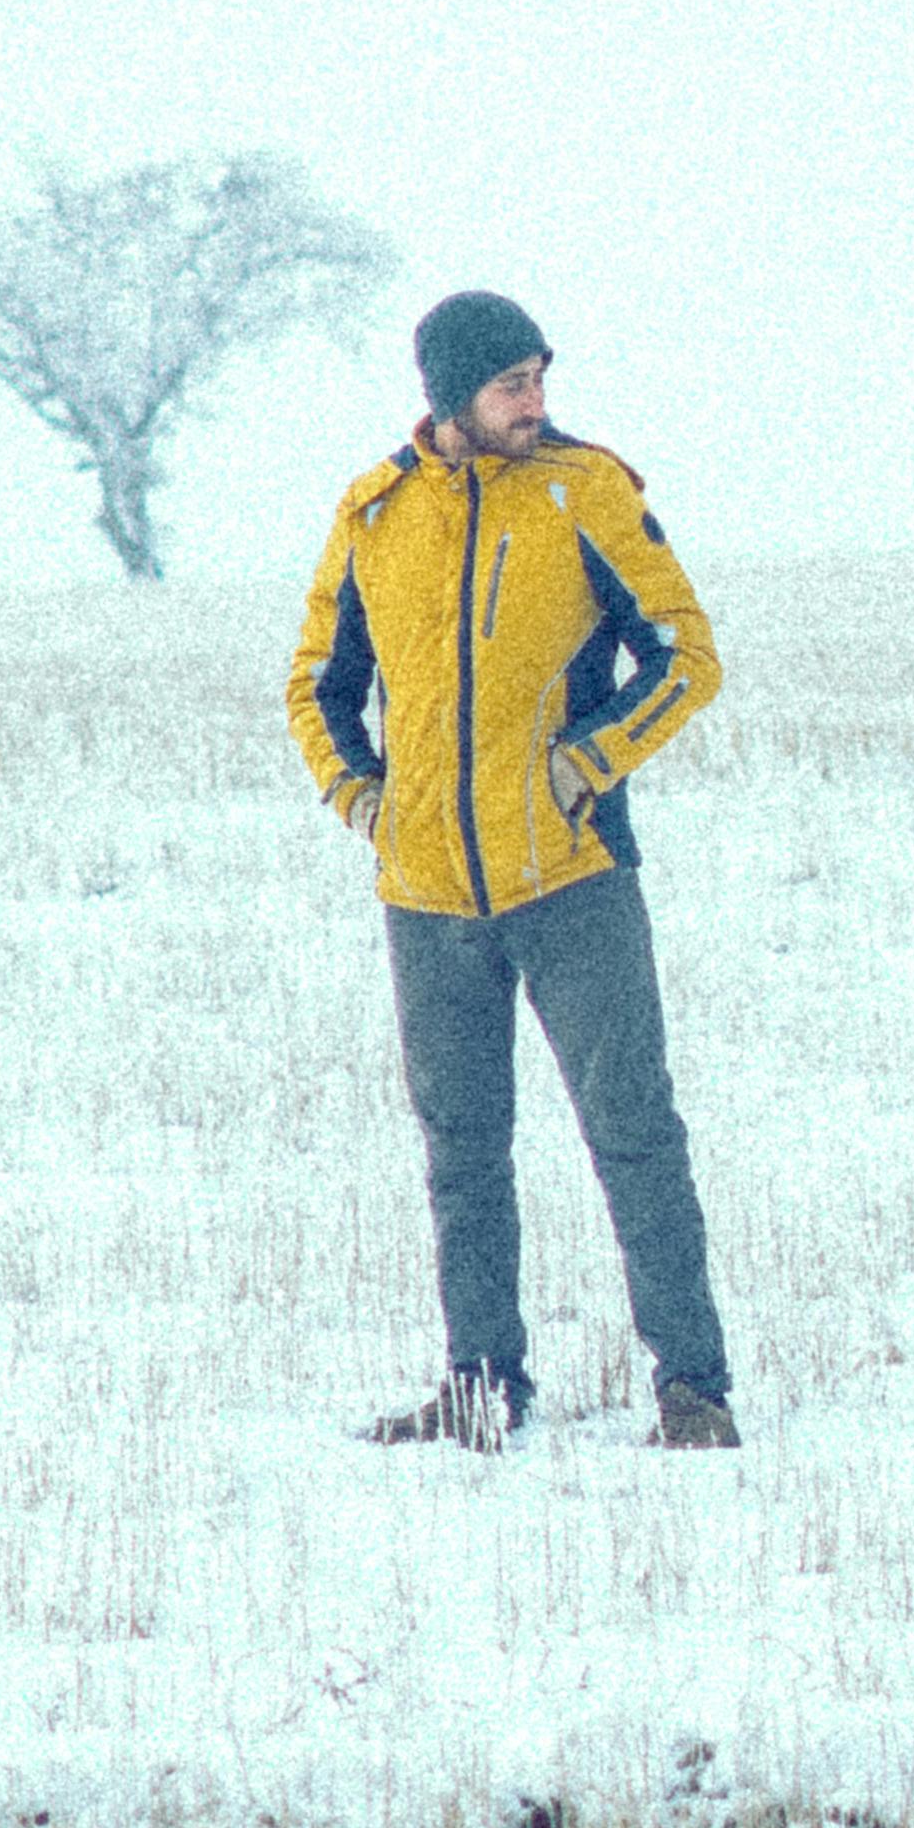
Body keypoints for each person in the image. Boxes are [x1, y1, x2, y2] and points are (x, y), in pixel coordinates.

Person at [290, 292, 739, 1449]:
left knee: (634, 1129)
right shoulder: (373, 514)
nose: (535, 402)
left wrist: (589, 761)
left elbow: (687, 654)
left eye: (540, 377)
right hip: (426, 896)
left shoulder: (586, 491)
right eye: (510, 385)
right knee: (461, 1152)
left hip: (574, 876)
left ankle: (692, 1388)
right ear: (451, 400)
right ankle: (483, 1387)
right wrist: (366, 801)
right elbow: (318, 685)